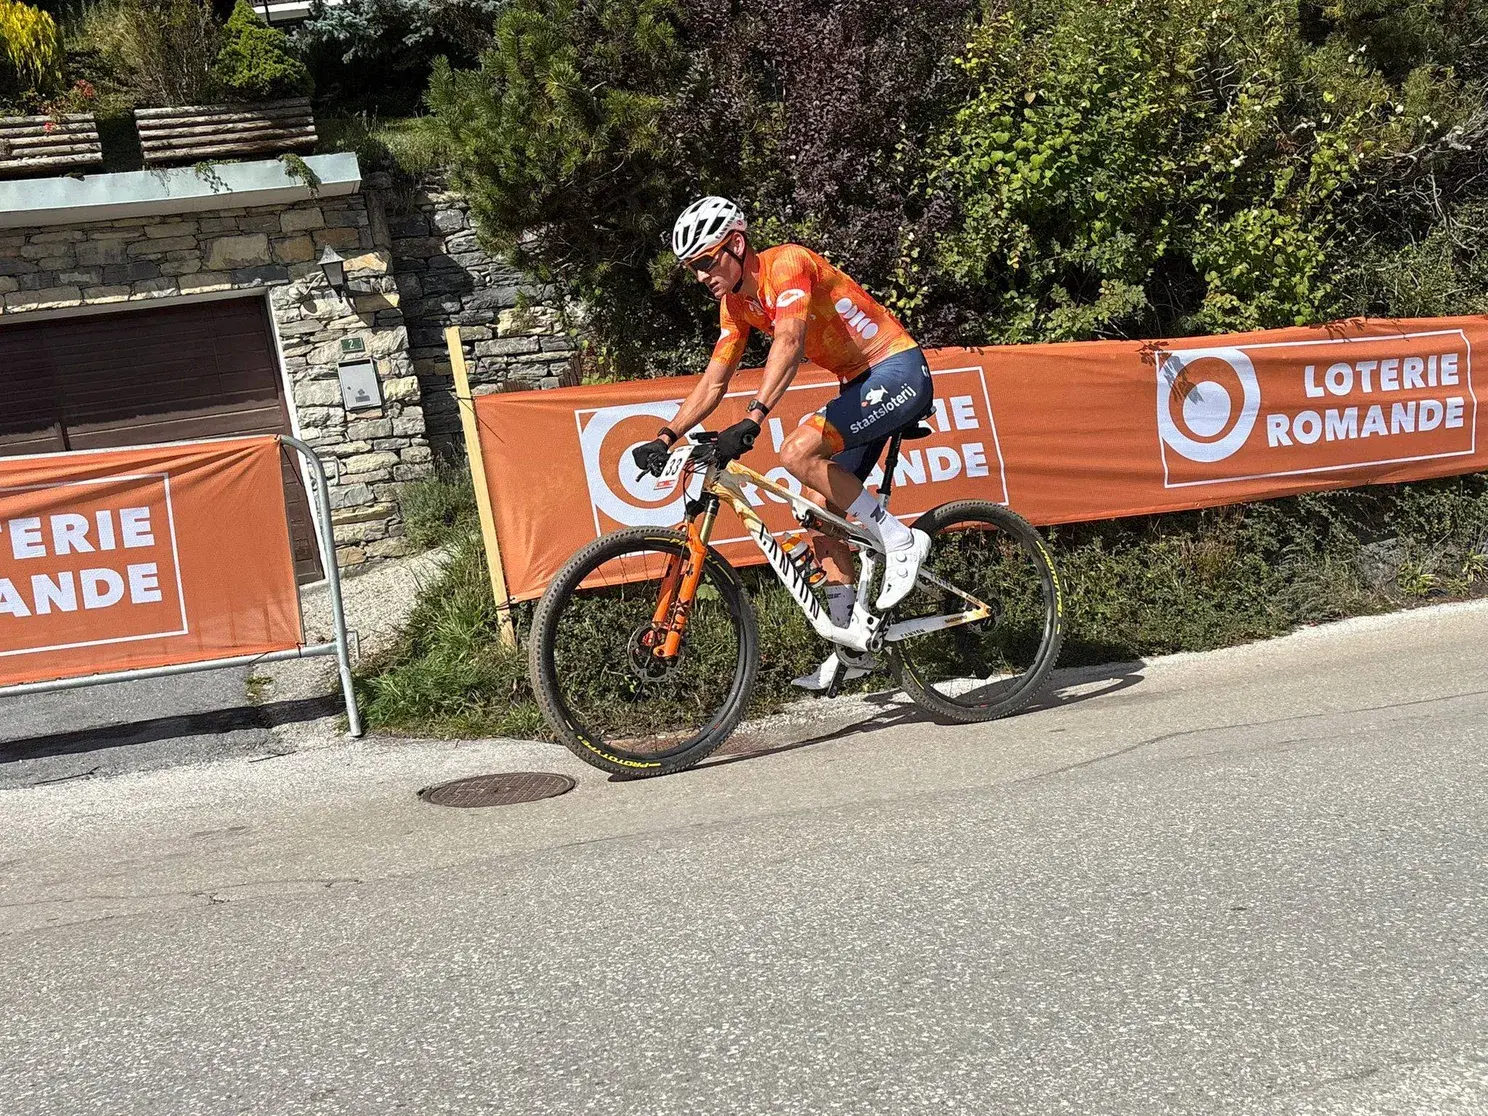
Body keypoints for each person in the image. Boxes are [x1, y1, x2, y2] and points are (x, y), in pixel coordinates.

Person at [631, 196, 934, 691]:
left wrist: (753, 419)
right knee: (817, 514)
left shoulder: (787, 264)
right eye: (693, 269)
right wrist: (665, 436)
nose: (702, 276)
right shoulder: (735, 304)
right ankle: (851, 639)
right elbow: (714, 381)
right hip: (856, 383)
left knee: (795, 452)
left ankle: (901, 541)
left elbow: (789, 343)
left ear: (736, 243)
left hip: (895, 367)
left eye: (707, 262)